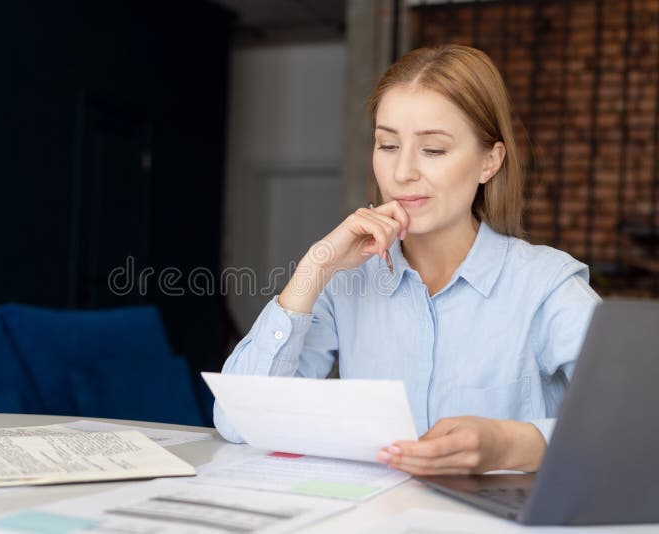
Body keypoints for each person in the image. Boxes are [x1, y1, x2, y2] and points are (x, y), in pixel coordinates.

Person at [213, 45, 600, 476]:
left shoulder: (546, 286)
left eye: (433, 150)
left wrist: (513, 444)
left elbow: (635, 422)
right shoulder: (347, 279)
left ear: (489, 161)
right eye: (388, 145)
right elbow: (236, 421)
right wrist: (314, 269)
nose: (402, 173)